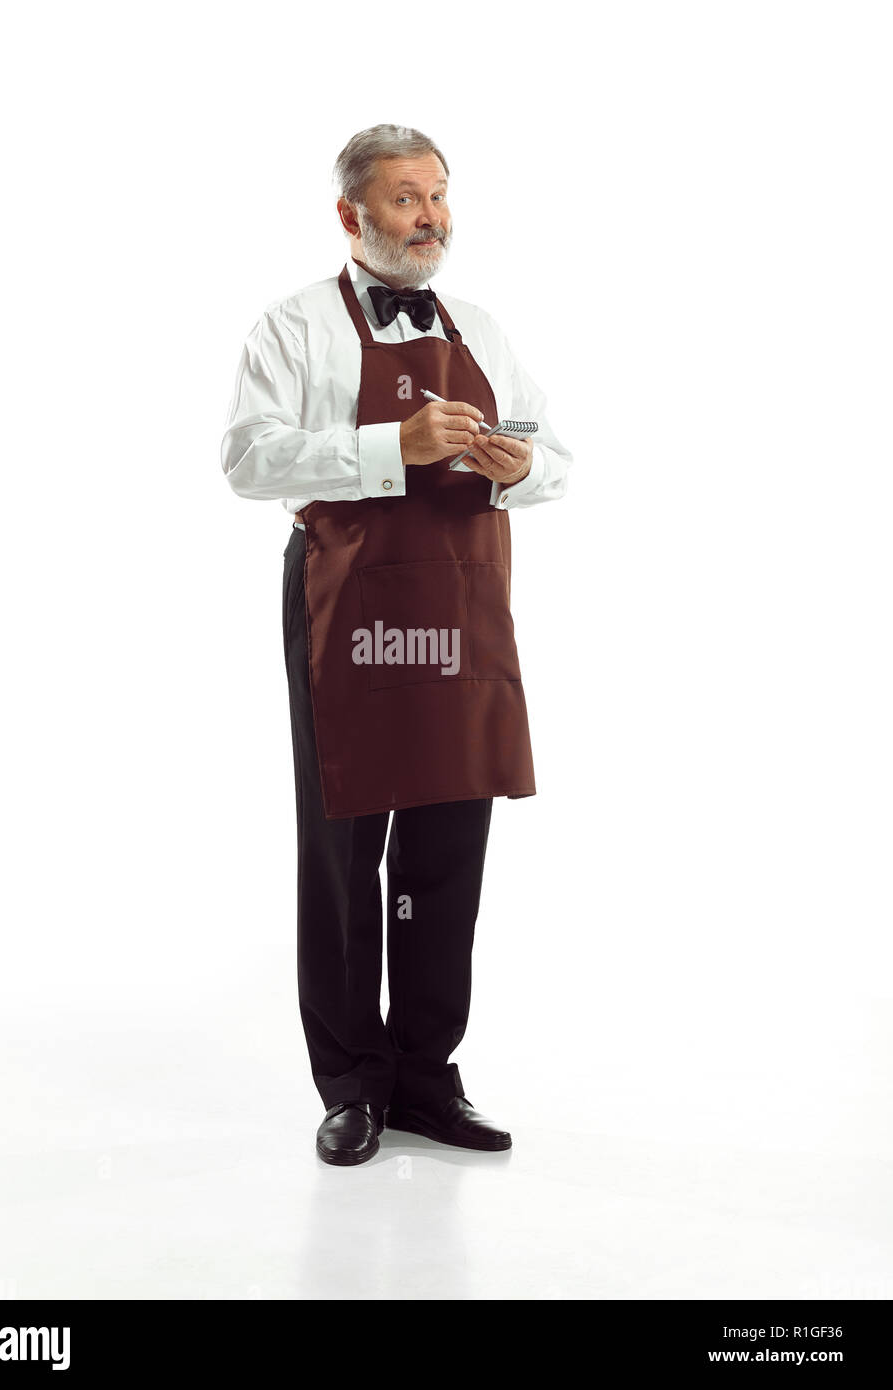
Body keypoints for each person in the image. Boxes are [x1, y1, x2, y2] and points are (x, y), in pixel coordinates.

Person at [220, 124, 573, 1166]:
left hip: (461, 607)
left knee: (448, 844)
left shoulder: (480, 327)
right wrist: (391, 446)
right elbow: (247, 460)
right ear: (351, 214)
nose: (431, 218)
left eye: (439, 195)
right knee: (343, 848)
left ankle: (425, 1077)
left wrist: (515, 466)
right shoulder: (291, 328)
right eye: (407, 199)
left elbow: (555, 455)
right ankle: (352, 1084)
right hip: (351, 605)